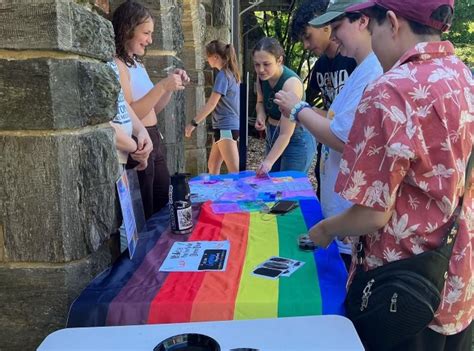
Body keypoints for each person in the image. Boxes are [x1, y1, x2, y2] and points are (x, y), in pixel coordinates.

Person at [307, 0, 473, 349]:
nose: (371, 38)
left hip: (399, 291)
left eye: (373, 28)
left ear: (393, 23)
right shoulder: (463, 77)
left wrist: (325, 229)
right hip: (455, 279)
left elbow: (371, 214)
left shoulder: (390, 90)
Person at [274, 0, 383, 271]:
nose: (332, 35)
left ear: (363, 21)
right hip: (343, 212)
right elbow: (336, 122)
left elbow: (343, 139)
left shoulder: (374, 72)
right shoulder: (362, 70)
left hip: (352, 218)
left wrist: (298, 110)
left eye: (336, 26)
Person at [111, 1, 190, 220]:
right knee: (144, 211)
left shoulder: (137, 64)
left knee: (163, 201)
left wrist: (170, 88)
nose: (150, 40)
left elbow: (153, 109)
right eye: (146, 33)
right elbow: (129, 113)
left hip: (154, 136)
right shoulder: (117, 64)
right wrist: (162, 85)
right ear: (128, 29)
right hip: (138, 142)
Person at [290, 0, 357, 199]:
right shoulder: (319, 66)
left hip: (350, 151)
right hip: (327, 149)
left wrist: (303, 111)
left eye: (308, 36)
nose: (306, 45)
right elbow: (312, 105)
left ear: (326, 26)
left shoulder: (355, 61)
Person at [252, 37, 316, 177]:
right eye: (257, 65)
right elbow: (260, 102)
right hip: (273, 134)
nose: (261, 69)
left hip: (295, 139)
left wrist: (267, 162)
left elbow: (285, 133)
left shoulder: (290, 84)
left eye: (266, 64)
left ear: (279, 60)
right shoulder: (261, 77)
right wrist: (261, 115)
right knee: (272, 188)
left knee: (288, 190)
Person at [185, 40, 240, 174]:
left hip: (225, 127)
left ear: (215, 57)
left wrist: (193, 123)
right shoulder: (231, 73)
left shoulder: (223, 75)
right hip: (225, 127)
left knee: (235, 172)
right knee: (213, 165)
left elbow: (211, 104)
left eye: (207, 56)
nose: (206, 59)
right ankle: (213, 195)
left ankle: (245, 195)